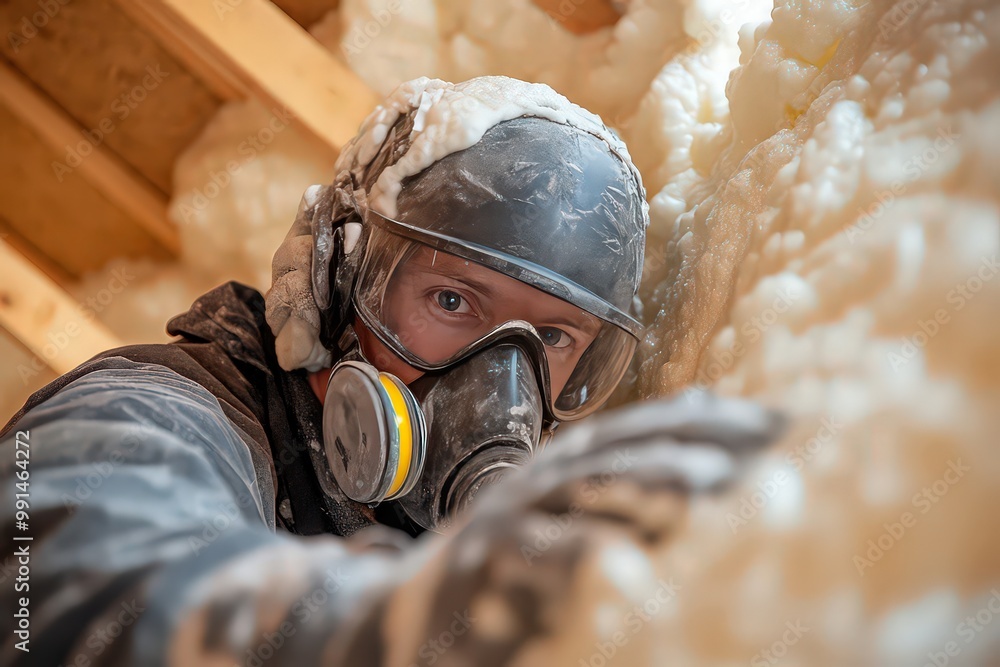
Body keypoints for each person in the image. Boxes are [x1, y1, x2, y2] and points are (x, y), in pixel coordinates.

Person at [0, 76, 781, 666]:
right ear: (339, 277)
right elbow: (60, 571)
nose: (499, 386)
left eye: (550, 337)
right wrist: (383, 623)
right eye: (451, 298)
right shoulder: (166, 407)